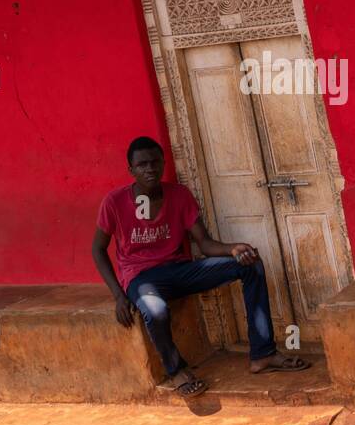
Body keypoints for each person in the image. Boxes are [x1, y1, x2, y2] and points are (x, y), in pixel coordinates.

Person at [93, 136, 308, 397]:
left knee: (251, 264)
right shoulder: (114, 202)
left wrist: (233, 249)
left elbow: (204, 244)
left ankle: (263, 354)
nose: (150, 169)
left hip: (181, 271)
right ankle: (176, 371)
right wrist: (118, 295)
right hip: (141, 278)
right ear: (131, 170)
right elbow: (98, 249)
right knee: (156, 311)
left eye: (155, 162)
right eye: (142, 165)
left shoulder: (179, 195)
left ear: (163, 164)